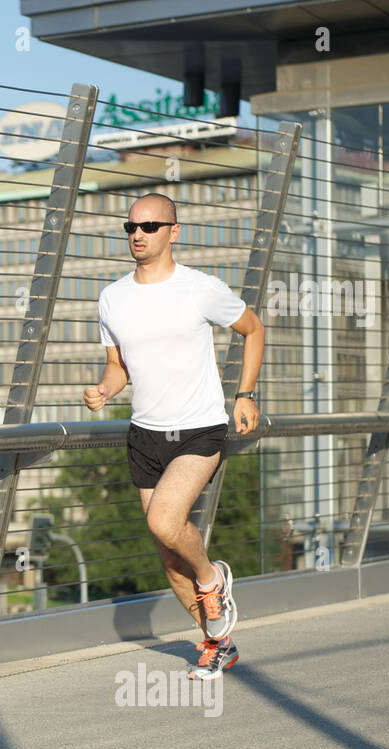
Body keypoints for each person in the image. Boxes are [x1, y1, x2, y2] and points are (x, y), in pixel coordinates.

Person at [83, 192, 264, 680]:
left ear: (173, 231)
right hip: (145, 435)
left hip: (199, 430)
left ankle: (212, 578)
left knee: (166, 522)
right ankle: (216, 642)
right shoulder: (112, 298)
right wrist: (104, 388)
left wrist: (245, 394)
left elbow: (254, 329)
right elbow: (117, 366)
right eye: (131, 228)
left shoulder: (199, 289)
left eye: (149, 226)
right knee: (167, 552)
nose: (137, 235)